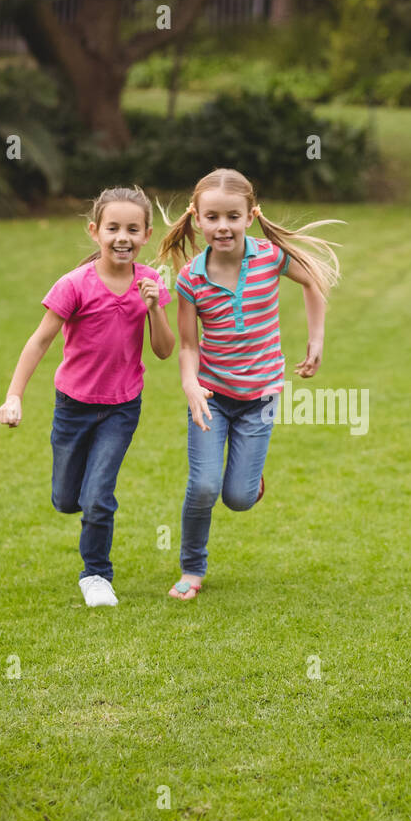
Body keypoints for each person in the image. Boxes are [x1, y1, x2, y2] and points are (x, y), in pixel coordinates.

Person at [156, 168, 342, 600]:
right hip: (211, 397)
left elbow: (314, 281)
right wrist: (189, 384)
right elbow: (187, 346)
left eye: (233, 217)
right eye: (214, 217)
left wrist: (316, 340)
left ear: (251, 215)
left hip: (260, 396)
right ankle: (191, 569)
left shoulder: (269, 258)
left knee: (237, 497)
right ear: (197, 219)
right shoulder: (190, 279)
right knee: (203, 487)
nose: (224, 226)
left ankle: (249, 481)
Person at [0, 187, 174, 606]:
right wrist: (14, 396)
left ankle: (96, 574)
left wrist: (155, 309)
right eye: (113, 228)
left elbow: (164, 350)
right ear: (95, 231)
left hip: (121, 407)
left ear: (146, 233)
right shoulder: (75, 284)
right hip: (73, 407)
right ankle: (84, 507)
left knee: (98, 497)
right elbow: (40, 341)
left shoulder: (150, 283)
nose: (122, 236)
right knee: (65, 499)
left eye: (133, 228)